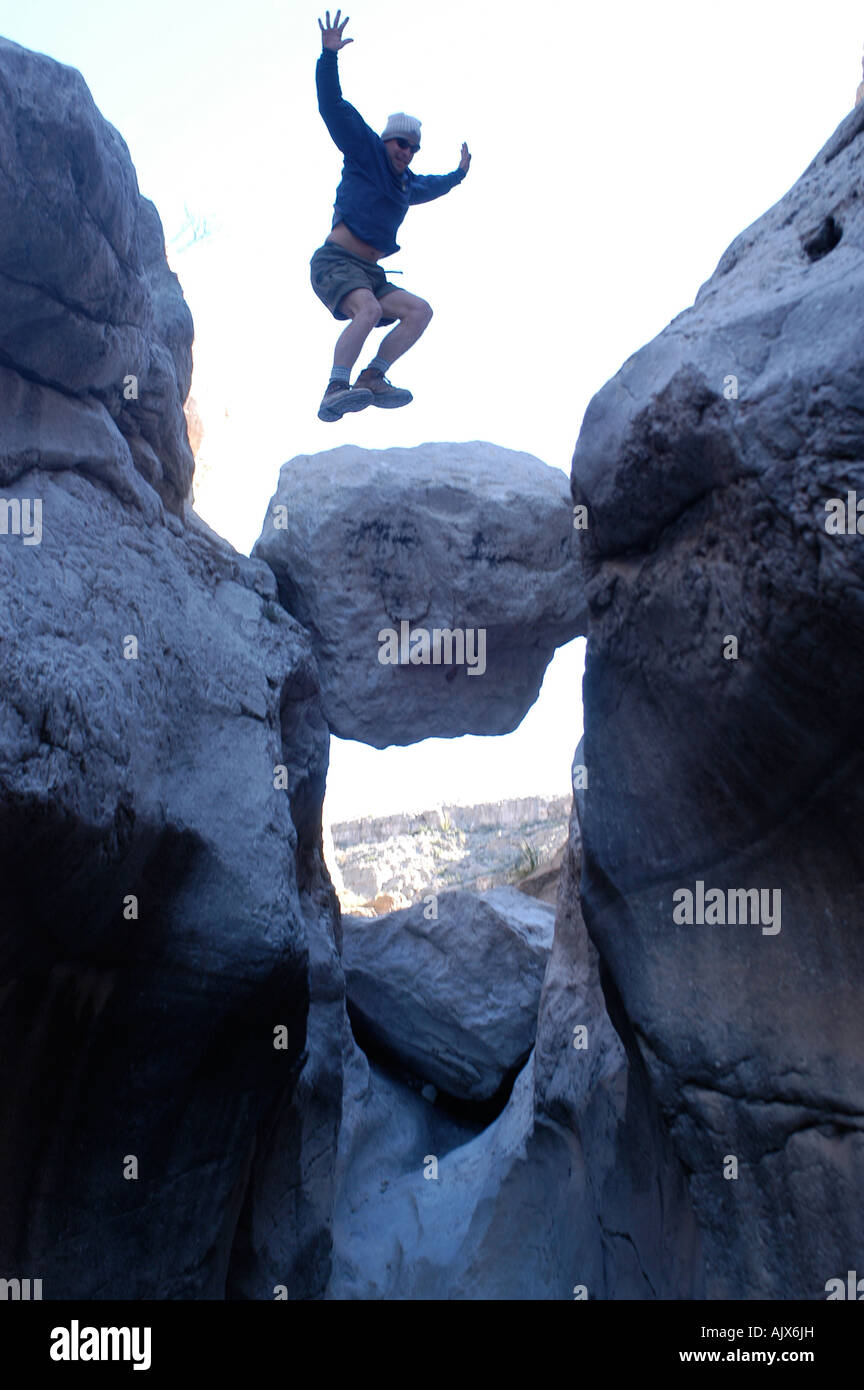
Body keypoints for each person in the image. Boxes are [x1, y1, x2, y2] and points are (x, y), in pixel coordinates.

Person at [311, 10, 471, 421]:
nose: (405, 152)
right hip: (335, 263)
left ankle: (373, 377)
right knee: (369, 311)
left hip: (370, 273)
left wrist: (459, 174)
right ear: (387, 140)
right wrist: (329, 57)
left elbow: (432, 186)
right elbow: (332, 106)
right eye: (400, 144)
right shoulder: (365, 150)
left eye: (413, 148)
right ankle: (334, 388)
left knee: (420, 311)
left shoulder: (407, 185)